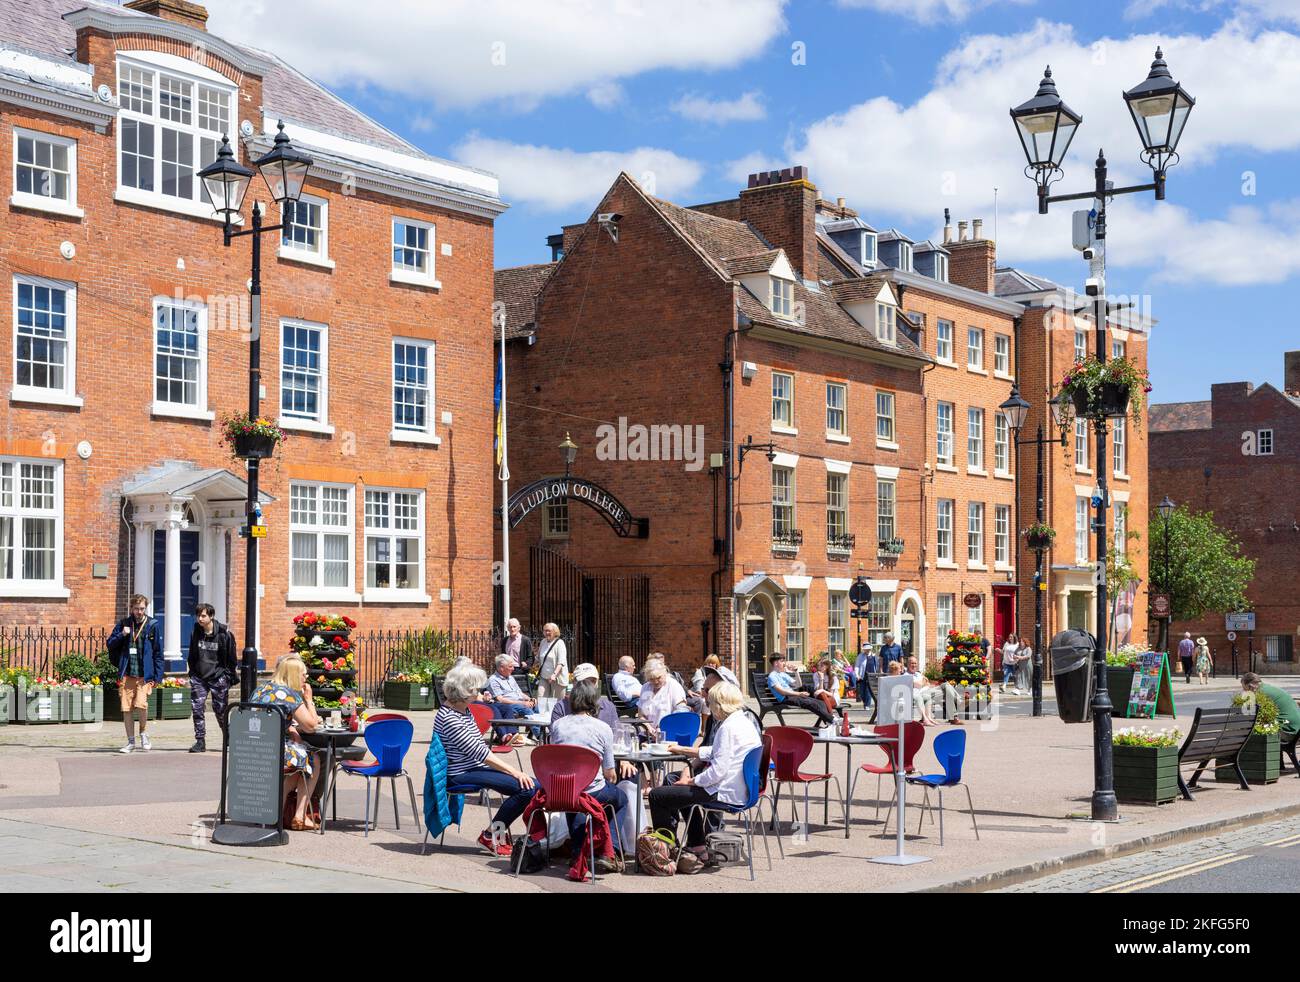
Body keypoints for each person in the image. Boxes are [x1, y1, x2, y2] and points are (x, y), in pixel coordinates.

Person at [650, 681, 761, 864]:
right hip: (739, 787)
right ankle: (697, 844)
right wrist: (685, 750)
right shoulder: (743, 721)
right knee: (678, 790)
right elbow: (718, 752)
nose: (709, 708)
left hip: (724, 791)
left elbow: (718, 771)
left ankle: (665, 850)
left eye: (710, 703)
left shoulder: (727, 728)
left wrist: (693, 781)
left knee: (657, 795)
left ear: (718, 704)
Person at [434, 661, 537, 856]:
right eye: (476, 689)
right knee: (526, 788)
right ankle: (491, 836)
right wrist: (515, 772)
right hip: (459, 773)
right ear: (464, 690)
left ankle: (526, 834)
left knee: (535, 785)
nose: (481, 693)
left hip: (473, 767)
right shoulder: (450, 717)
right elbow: (479, 752)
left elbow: (480, 747)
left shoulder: (463, 710)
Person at [550, 680, 639, 869]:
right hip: (591, 789)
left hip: (561, 788)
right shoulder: (602, 728)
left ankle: (578, 852)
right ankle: (611, 850)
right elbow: (609, 772)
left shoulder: (557, 725)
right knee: (620, 799)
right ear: (594, 701)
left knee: (574, 799)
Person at [249, 654, 322, 831]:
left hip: (251, 750)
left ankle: (275, 813)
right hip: (275, 751)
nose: (306, 678)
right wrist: (309, 700)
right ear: (294, 674)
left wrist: (290, 730)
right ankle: (299, 815)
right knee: (314, 760)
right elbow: (311, 726)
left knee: (298, 764)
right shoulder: (289, 695)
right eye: (303, 674)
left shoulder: (261, 690)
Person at [106, 594, 164, 754]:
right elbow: (109, 644)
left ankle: (143, 733)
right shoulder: (124, 624)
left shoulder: (152, 624)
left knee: (141, 705)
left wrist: (158, 676)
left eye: (142, 609)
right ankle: (130, 741)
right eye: (137, 608)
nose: (139, 612)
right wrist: (122, 634)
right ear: (131, 608)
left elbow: (158, 652)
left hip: (144, 674)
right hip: (127, 673)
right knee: (127, 708)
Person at [186, 603, 237, 753]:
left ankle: (228, 737)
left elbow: (232, 659)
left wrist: (227, 677)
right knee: (197, 709)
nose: (200, 619)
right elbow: (192, 654)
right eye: (198, 616)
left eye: (203, 616)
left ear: (211, 616)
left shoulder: (224, 634)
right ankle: (200, 741)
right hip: (199, 677)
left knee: (220, 710)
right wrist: (193, 673)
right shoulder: (196, 632)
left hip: (218, 677)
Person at [766, 653, 834, 728]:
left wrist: (796, 672)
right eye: (782, 661)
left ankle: (829, 722)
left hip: (792, 696)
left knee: (819, 702)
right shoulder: (772, 676)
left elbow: (798, 685)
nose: (784, 663)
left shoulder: (783, 674)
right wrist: (798, 694)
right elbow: (781, 691)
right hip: (785, 698)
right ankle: (832, 721)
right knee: (810, 702)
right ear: (776, 663)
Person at [486, 654, 538, 745]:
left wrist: (530, 699)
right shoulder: (493, 680)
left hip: (518, 702)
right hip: (508, 705)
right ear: (501, 668)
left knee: (536, 706)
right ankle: (540, 736)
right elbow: (500, 699)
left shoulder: (510, 677)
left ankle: (537, 733)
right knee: (527, 709)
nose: (513, 669)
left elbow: (519, 693)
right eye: (510, 666)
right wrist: (522, 703)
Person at [551, 663, 621, 729]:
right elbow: (554, 736)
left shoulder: (608, 707)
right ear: (574, 683)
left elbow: (616, 735)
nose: (589, 686)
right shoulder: (561, 707)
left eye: (593, 681)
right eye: (584, 682)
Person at [1241, 672, 1300, 740]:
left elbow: (1254, 717)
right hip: (1297, 729)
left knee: (1248, 732)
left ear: (1251, 686)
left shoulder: (1259, 693)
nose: (1245, 691)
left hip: (1287, 731)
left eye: (1245, 689)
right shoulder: (1269, 688)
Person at [638, 659, 689, 734]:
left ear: (665, 673)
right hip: (648, 733)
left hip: (669, 733)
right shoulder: (645, 687)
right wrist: (647, 726)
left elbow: (681, 711)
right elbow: (641, 714)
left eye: (658, 678)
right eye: (651, 679)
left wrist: (662, 726)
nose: (655, 682)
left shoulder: (673, 685)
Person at [535, 622, 569, 699]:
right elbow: (538, 657)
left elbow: (561, 661)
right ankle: (542, 711)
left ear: (555, 631)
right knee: (541, 698)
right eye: (545, 631)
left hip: (557, 678)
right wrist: (529, 665)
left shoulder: (560, 643)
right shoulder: (543, 642)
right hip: (544, 677)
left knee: (557, 702)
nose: (546, 633)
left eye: (549, 631)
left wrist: (554, 674)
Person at [855, 642, 878, 708]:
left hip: (871, 676)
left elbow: (877, 666)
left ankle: (867, 704)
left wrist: (877, 674)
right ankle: (865, 702)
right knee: (861, 691)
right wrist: (857, 675)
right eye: (865, 649)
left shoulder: (874, 656)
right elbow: (857, 666)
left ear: (870, 649)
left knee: (868, 690)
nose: (867, 650)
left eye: (868, 649)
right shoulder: (860, 656)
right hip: (862, 675)